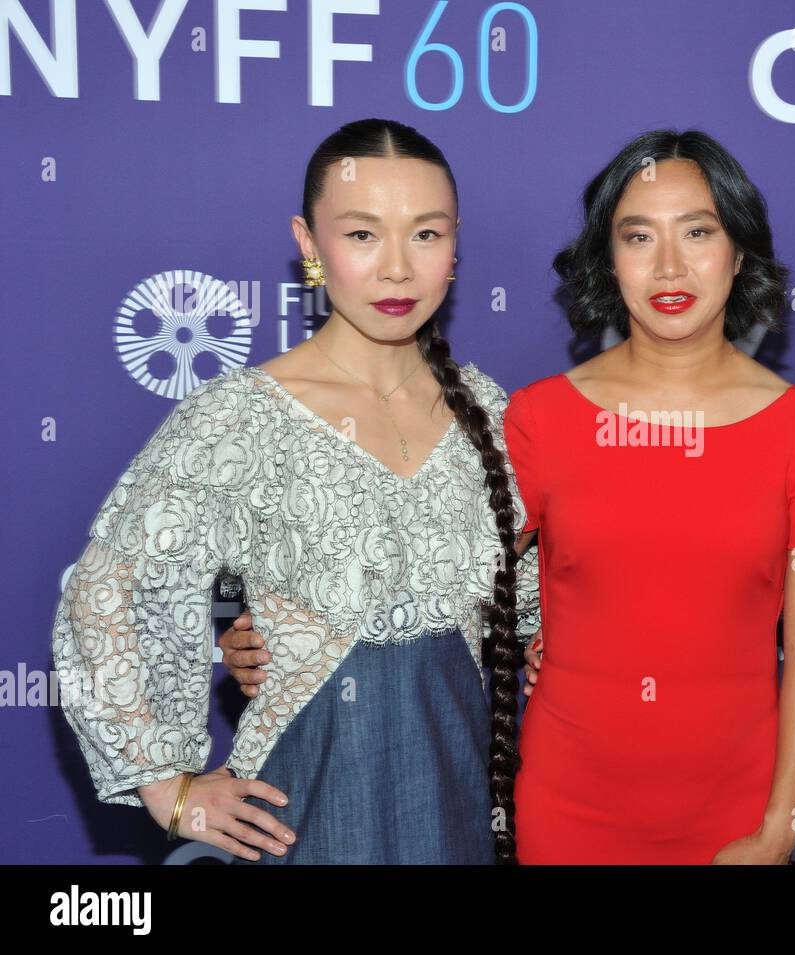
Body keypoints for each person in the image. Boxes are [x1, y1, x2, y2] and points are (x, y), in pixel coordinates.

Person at [52, 118, 538, 864]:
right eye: (362, 234)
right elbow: (106, 589)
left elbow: (537, 600)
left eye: (426, 234)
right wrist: (166, 785)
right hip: (304, 801)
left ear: (455, 246)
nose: (398, 269)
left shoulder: (493, 413)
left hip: (455, 797)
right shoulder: (239, 417)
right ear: (309, 243)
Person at [505, 130, 795, 863]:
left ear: (740, 251)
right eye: (639, 236)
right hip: (568, 803)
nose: (669, 266)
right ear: (609, 258)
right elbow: (456, 584)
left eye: (698, 232)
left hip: (738, 808)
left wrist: (780, 826)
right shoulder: (539, 417)